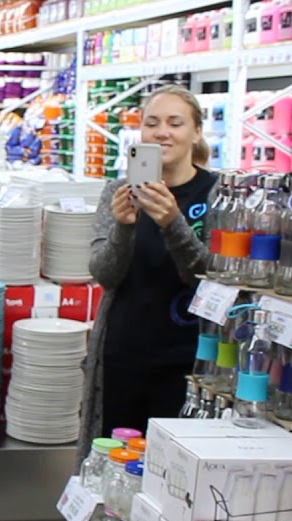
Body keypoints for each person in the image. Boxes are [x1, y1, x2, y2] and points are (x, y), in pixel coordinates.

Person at [79, 85, 219, 457]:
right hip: (122, 354)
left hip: (189, 361)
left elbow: (213, 279)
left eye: (176, 123)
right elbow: (104, 274)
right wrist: (124, 227)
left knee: (172, 466)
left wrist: (173, 222)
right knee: (114, 460)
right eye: (152, 123)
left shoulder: (216, 194)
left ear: (196, 132)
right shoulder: (119, 191)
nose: (162, 132)